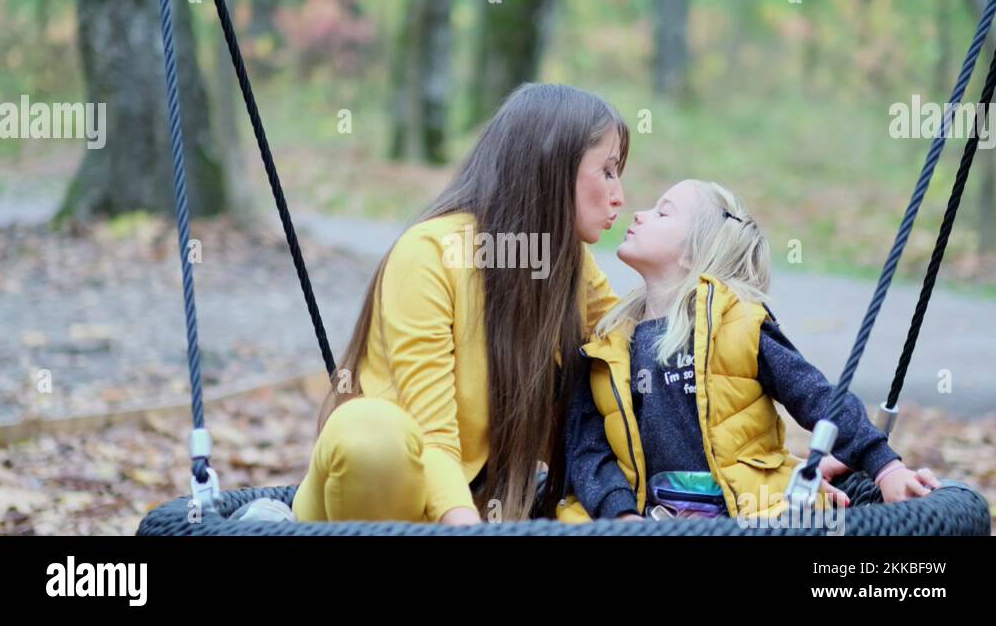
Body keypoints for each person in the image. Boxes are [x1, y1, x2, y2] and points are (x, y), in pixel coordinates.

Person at [292, 83, 630, 525]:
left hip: (477, 508)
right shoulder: (429, 252)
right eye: (607, 171)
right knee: (373, 434)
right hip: (382, 498)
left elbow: (630, 354)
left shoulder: (567, 266)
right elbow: (432, 433)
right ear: (552, 167)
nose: (619, 196)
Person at [560, 179, 942, 522]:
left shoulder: (739, 324)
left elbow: (818, 398)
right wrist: (622, 515)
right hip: (649, 515)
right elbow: (587, 449)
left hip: (746, 513)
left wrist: (885, 468)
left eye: (663, 212)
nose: (639, 214)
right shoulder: (608, 345)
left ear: (695, 253)